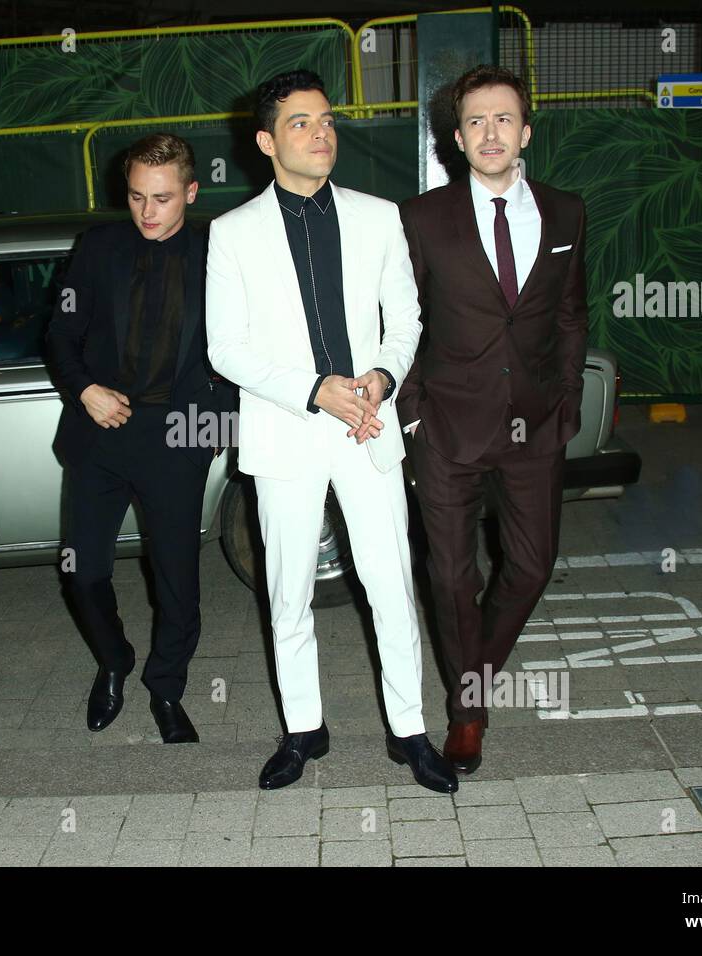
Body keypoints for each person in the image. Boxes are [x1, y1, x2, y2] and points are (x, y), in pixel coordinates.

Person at [206, 70, 456, 793]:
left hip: (368, 428)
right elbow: (227, 346)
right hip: (288, 434)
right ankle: (303, 730)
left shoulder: (381, 217)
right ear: (265, 141)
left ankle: (409, 732)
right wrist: (316, 390)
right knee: (287, 593)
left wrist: (380, 376)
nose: (322, 134)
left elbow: (406, 320)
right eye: (301, 123)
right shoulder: (232, 233)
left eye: (327, 120)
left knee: (390, 586)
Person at [398, 65, 589, 774]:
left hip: (536, 427)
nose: (490, 132)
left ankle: (470, 672)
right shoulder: (421, 218)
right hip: (446, 428)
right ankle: (468, 710)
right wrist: (413, 413)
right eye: (475, 121)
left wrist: (566, 398)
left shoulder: (567, 212)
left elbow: (572, 313)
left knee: (533, 567)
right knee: (450, 579)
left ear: (526, 130)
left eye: (503, 118)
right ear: (456, 137)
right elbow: (402, 321)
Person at [46, 133, 234, 744]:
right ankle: (114, 660)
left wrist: (215, 427)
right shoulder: (98, 248)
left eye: (161, 198)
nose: (147, 212)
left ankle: (166, 687)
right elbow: (59, 335)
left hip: (178, 436)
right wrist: (85, 390)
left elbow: (245, 348)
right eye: (135, 197)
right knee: (81, 571)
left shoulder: (219, 253)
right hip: (101, 431)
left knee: (176, 578)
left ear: (191, 192)